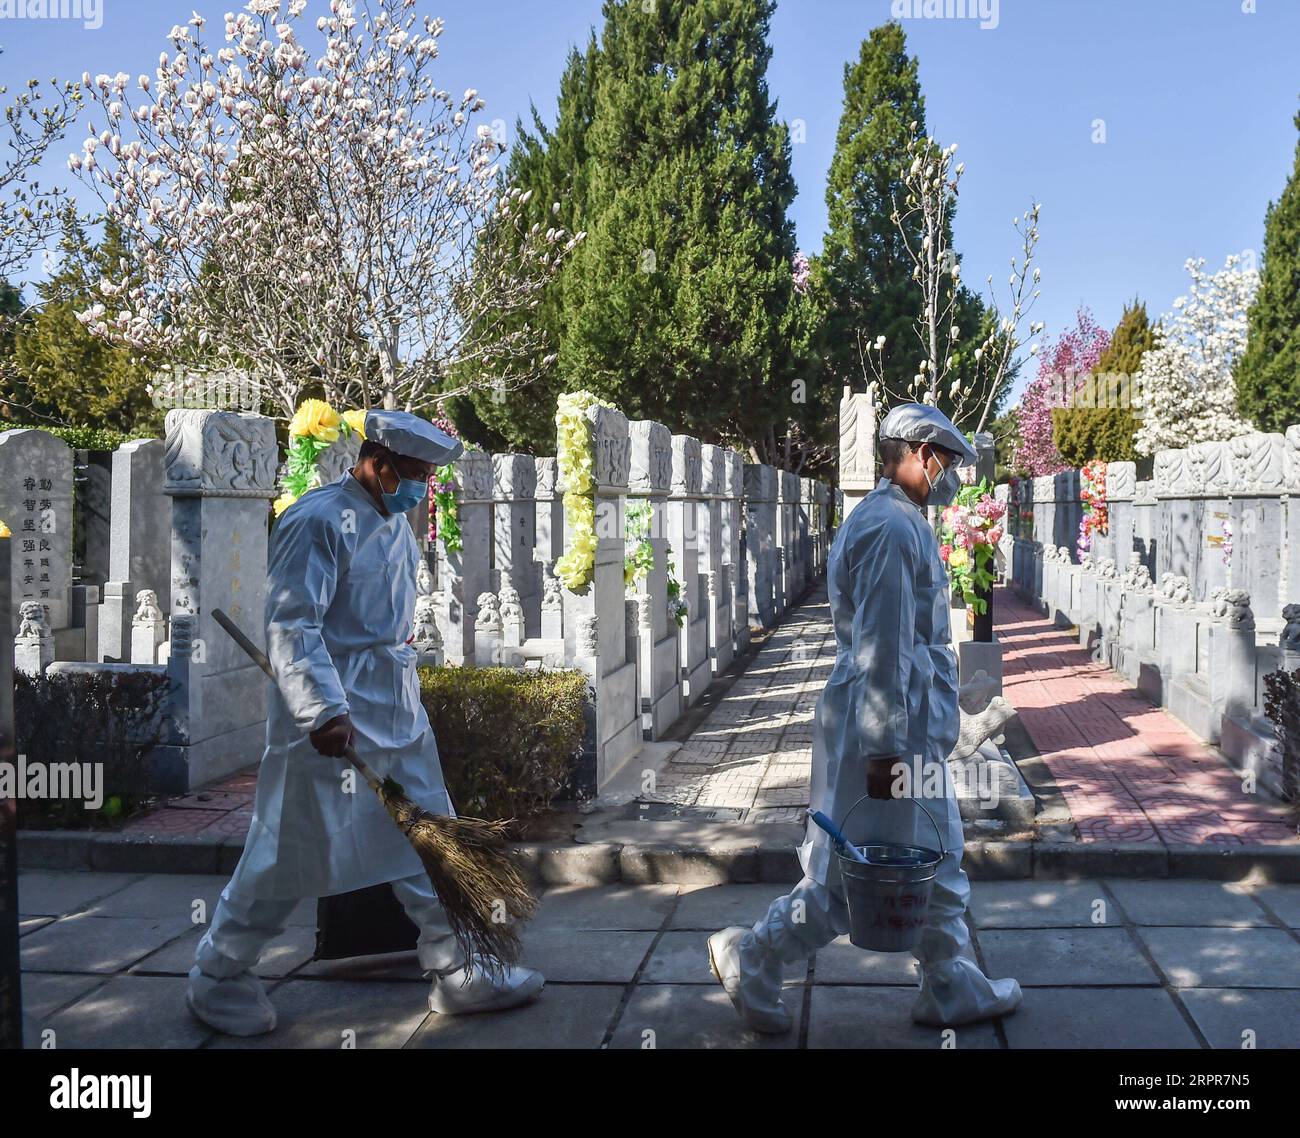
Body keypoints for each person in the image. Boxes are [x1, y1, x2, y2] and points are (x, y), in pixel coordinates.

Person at [188, 410, 543, 1036]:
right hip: (336, 710)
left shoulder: (392, 520)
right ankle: (218, 972)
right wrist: (322, 709)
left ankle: (459, 967)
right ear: (378, 464)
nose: (421, 490)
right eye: (414, 476)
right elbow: (294, 623)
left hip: (394, 705)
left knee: (426, 837)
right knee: (287, 850)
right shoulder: (318, 520)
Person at [708, 403, 1022, 1033]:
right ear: (918, 454)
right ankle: (756, 956)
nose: (951, 475)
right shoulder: (891, 529)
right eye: (946, 462)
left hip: (899, 732)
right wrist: (888, 754)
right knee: (860, 868)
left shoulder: (895, 520)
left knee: (932, 853)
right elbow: (883, 651)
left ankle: (949, 980)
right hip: (887, 737)